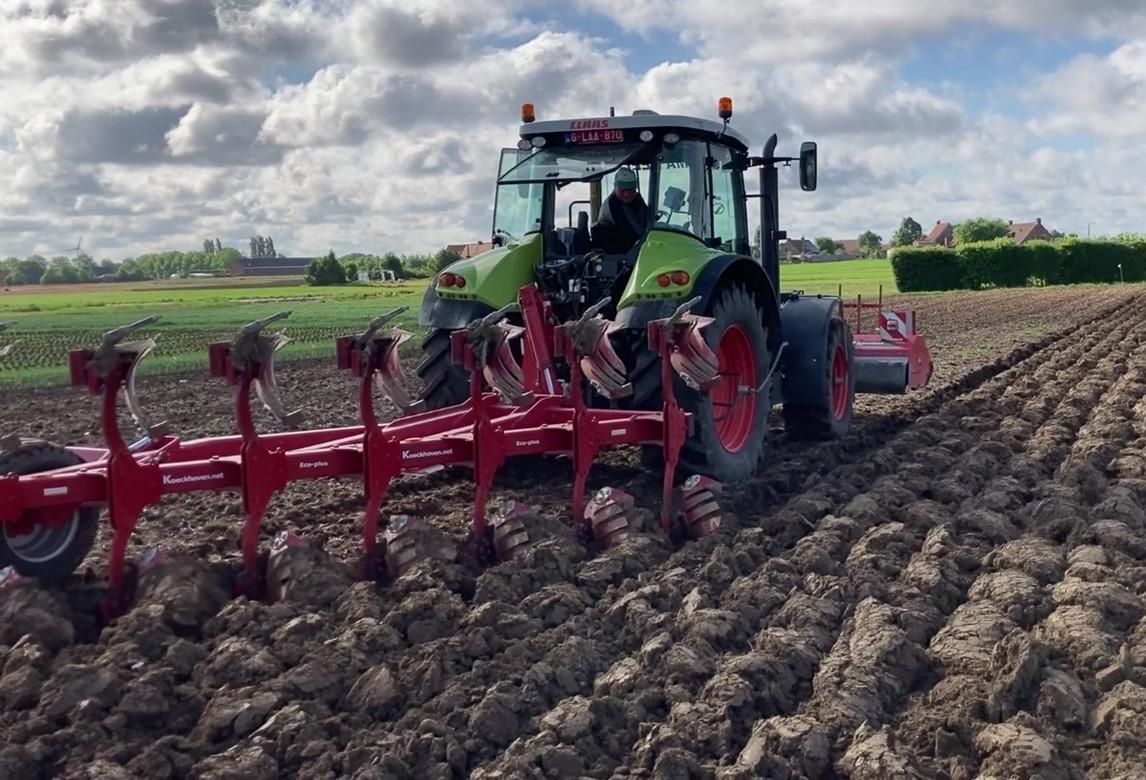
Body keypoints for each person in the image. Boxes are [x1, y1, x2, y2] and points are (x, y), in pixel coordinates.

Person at [592, 167, 648, 253]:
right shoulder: (612, 205)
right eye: (623, 190)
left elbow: (647, 218)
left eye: (630, 190)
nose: (626, 194)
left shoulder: (637, 199)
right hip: (618, 252)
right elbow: (631, 232)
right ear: (615, 187)